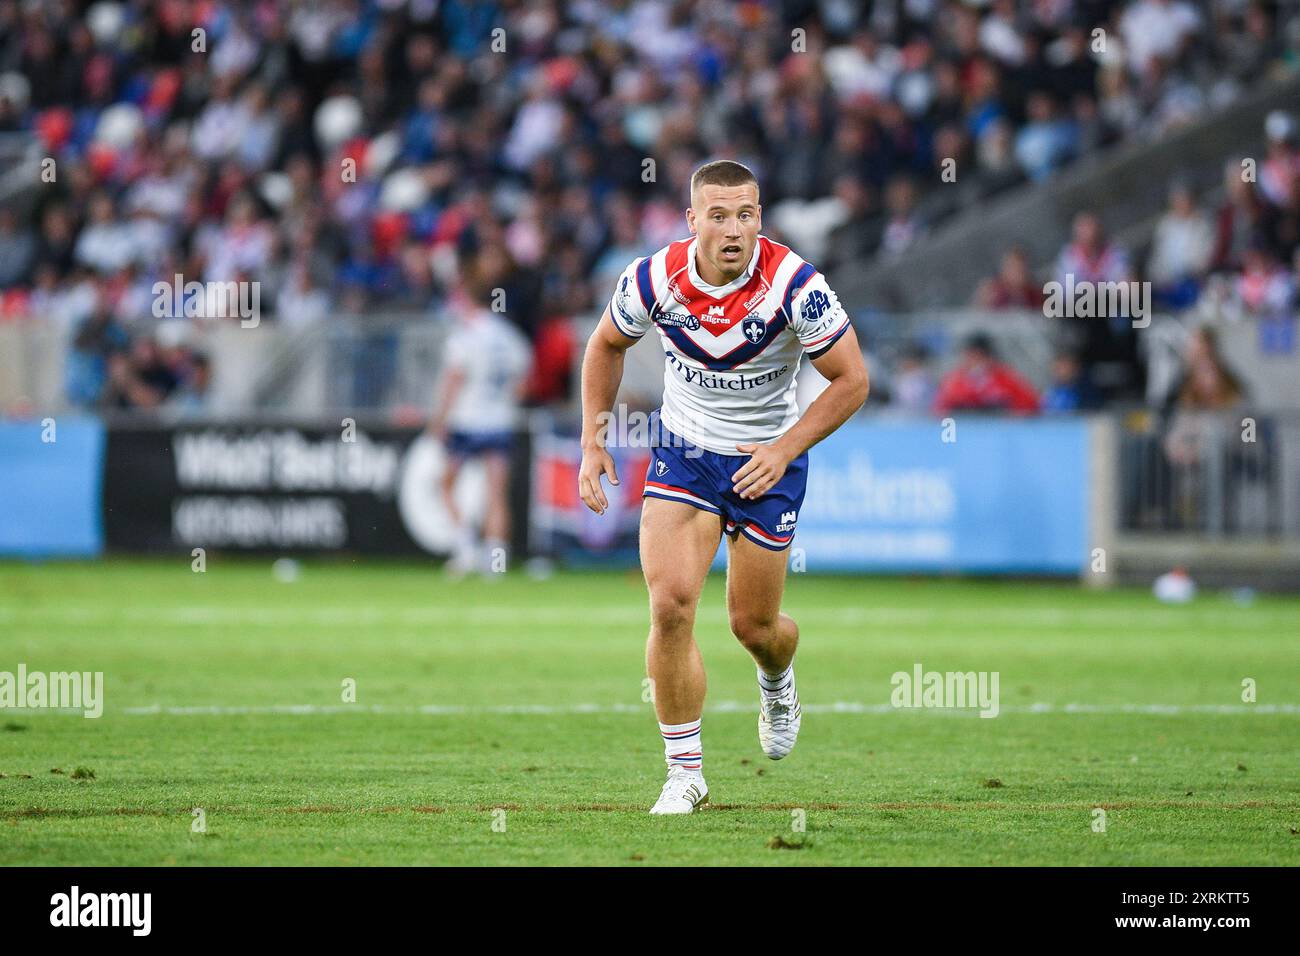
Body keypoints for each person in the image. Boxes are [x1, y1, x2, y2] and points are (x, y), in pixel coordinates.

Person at [577, 160, 870, 814]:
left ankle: (776, 677)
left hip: (768, 462)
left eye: (745, 214)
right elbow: (604, 345)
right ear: (693, 221)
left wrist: (785, 447)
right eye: (718, 215)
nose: (733, 228)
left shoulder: (796, 285)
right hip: (684, 454)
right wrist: (594, 439)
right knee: (671, 606)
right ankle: (685, 773)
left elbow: (852, 380)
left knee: (754, 627)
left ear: (759, 219)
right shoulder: (654, 277)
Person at [427, 276, 533, 577]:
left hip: (467, 421)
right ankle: (496, 562)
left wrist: (439, 419)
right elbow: (523, 383)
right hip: (499, 421)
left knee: (446, 484)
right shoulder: (509, 336)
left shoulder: (464, 337)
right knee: (497, 493)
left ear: (467, 301)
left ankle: (465, 550)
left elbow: (454, 380)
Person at [932, 333, 1040, 415]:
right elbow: (940, 407)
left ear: (988, 356)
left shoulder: (1005, 378)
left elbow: (1030, 404)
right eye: (970, 355)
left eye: (978, 355)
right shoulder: (955, 379)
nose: (973, 360)